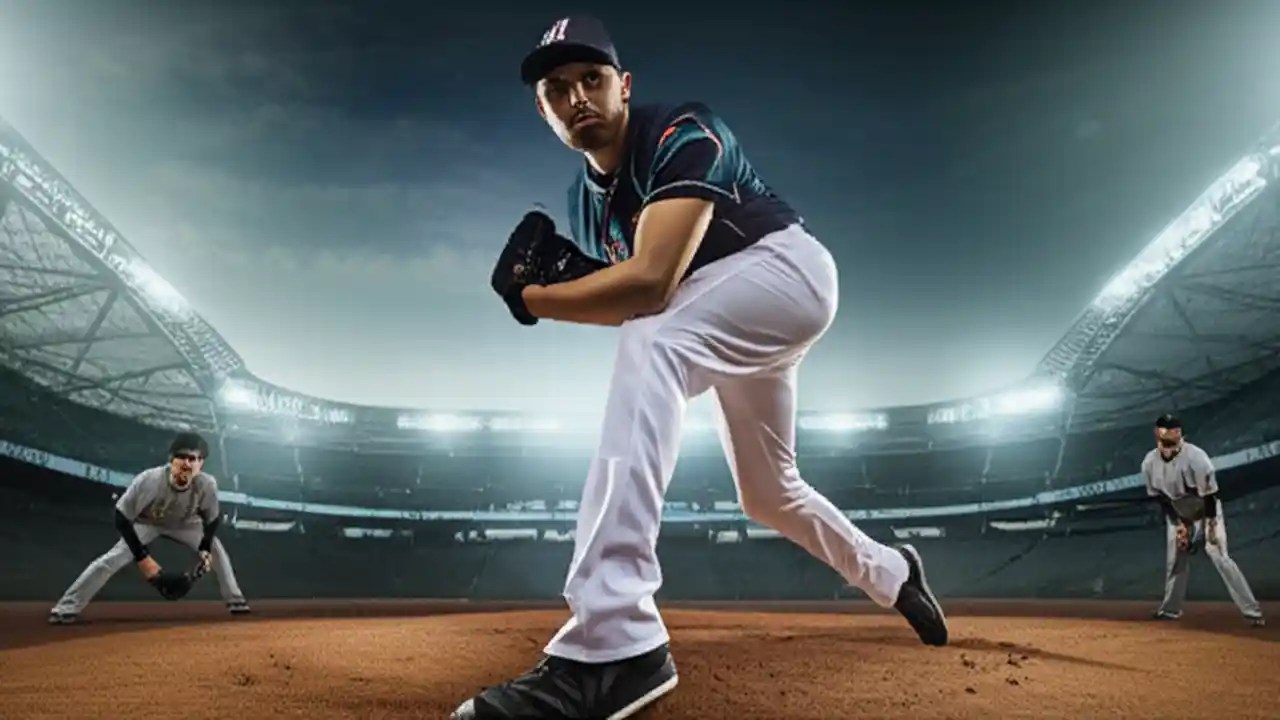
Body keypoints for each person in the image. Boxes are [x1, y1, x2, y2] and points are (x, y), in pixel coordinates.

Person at [454, 15, 947, 719]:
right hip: (725, 317)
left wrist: (533, 298)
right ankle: (892, 571)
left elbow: (651, 287)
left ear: (623, 86)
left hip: (785, 273)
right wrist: (565, 292)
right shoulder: (583, 207)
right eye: (557, 89)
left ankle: (614, 638)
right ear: (544, 109)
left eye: (591, 79)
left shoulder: (681, 128)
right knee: (768, 491)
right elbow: (631, 301)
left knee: (654, 343)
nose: (577, 99)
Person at [48, 431, 251, 624]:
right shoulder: (150, 480)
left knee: (217, 549)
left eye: (194, 459)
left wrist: (205, 547)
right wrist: (143, 557)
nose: (187, 464)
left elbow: (212, 518)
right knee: (111, 560)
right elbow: (121, 516)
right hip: (148, 523)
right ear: (171, 459)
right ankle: (65, 608)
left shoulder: (206, 484)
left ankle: (235, 600)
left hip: (187, 525)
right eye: (182, 457)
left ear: (201, 464)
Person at [1143, 414, 1264, 627]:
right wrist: (1179, 524)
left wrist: (1209, 526)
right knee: (1175, 561)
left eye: (1175, 432)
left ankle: (1252, 611)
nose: (1172, 436)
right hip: (1178, 511)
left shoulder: (1196, 457)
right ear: (1157, 434)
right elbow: (1161, 499)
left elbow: (1209, 495)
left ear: (1180, 433)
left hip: (1205, 509)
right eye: (1166, 433)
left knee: (1218, 553)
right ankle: (1170, 609)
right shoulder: (1149, 463)